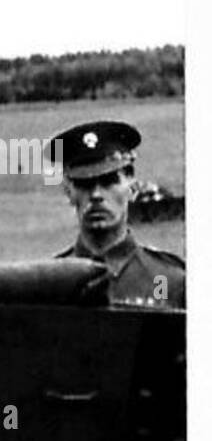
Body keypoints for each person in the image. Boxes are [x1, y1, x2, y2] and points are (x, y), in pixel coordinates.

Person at [51, 120, 185, 308]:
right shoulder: (51, 283)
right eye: (85, 184)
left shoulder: (164, 279)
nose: (96, 195)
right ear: (68, 192)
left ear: (131, 186)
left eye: (108, 182)